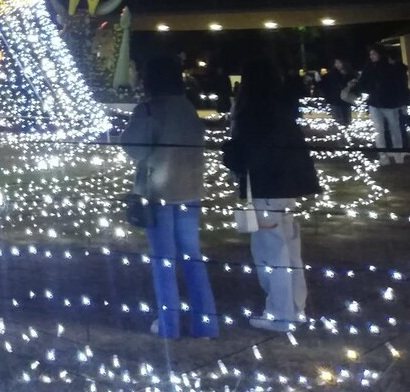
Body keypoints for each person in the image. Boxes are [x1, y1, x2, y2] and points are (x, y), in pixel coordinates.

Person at [120, 55, 219, 339]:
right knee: (192, 258)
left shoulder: (150, 110)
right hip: (189, 191)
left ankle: (169, 325)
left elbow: (133, 147)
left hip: (158, 194)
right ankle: (207, 323)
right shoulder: (188, 108)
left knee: (164, 262)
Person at [222, 56, 320, 332]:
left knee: (270, 249)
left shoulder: (251, 110)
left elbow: (241, 152)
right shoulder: (281, 105)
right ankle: (294, 306)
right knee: (288, 246)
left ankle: (281, 313)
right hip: (285, 186)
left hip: (264, 185)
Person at [348, 47, 409, 164]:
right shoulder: (369, 67)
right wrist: (355, 87)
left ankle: (398, 153)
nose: (372, 56)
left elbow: (400, 82)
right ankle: (382, 155)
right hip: (375, 103)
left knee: (394, 128)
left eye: (374, 54)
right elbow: (364, 83)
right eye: (371, 54)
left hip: (390, 103)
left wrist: (402, 101)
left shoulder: (389, 67)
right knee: (378, 130)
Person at [317, 58, 354, 127]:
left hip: (346, 100)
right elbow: (323, 85)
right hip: (335, 101)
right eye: (336, 63)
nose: (337, 65)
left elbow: (355, 86)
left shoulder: (349, 74)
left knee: (347, 122)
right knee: (338, 122)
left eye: (339, 63)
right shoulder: (331, 74)